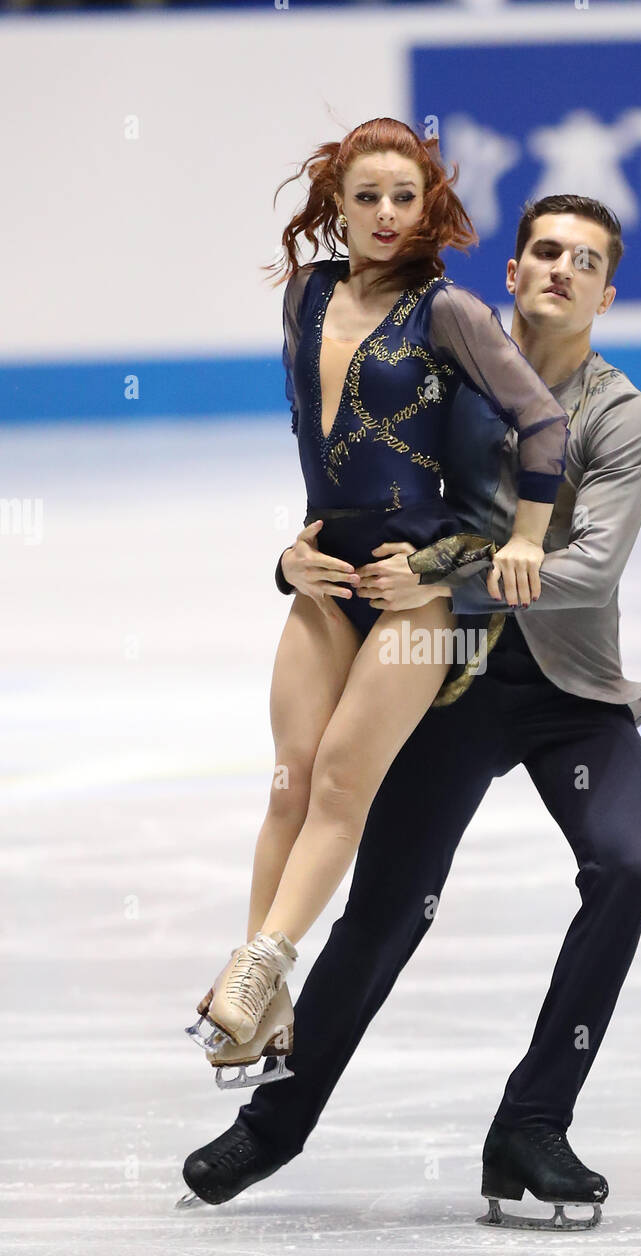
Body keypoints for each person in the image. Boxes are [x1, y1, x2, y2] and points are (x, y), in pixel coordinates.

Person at [181, 195, 641, 1228]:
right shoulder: (447, 366)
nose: (559, 270)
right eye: (543, 249)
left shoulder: (616, 416)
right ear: (511, 269)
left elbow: (584, 570)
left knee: (623, 868)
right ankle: (274, 1121)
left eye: (584, 261)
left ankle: (531, 1121)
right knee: (386, 906)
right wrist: (292, 560)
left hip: (569, 692)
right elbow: (369, 490)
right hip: (450, 679)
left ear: (606, 291)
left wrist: (454, 576)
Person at [186, 119, 569, 1076]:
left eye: (406, 198)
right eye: (368, 199)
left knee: (344, 783)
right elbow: (312, 446)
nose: (388, 216)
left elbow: (543, 423)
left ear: (427, 205)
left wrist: (519, 539)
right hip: (325, 580)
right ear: (339, 205)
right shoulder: (308, 295)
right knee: (291, 779)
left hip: (415, 590)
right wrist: (289, 556)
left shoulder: (450, 314)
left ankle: (259, 963)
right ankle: (264, 1005)